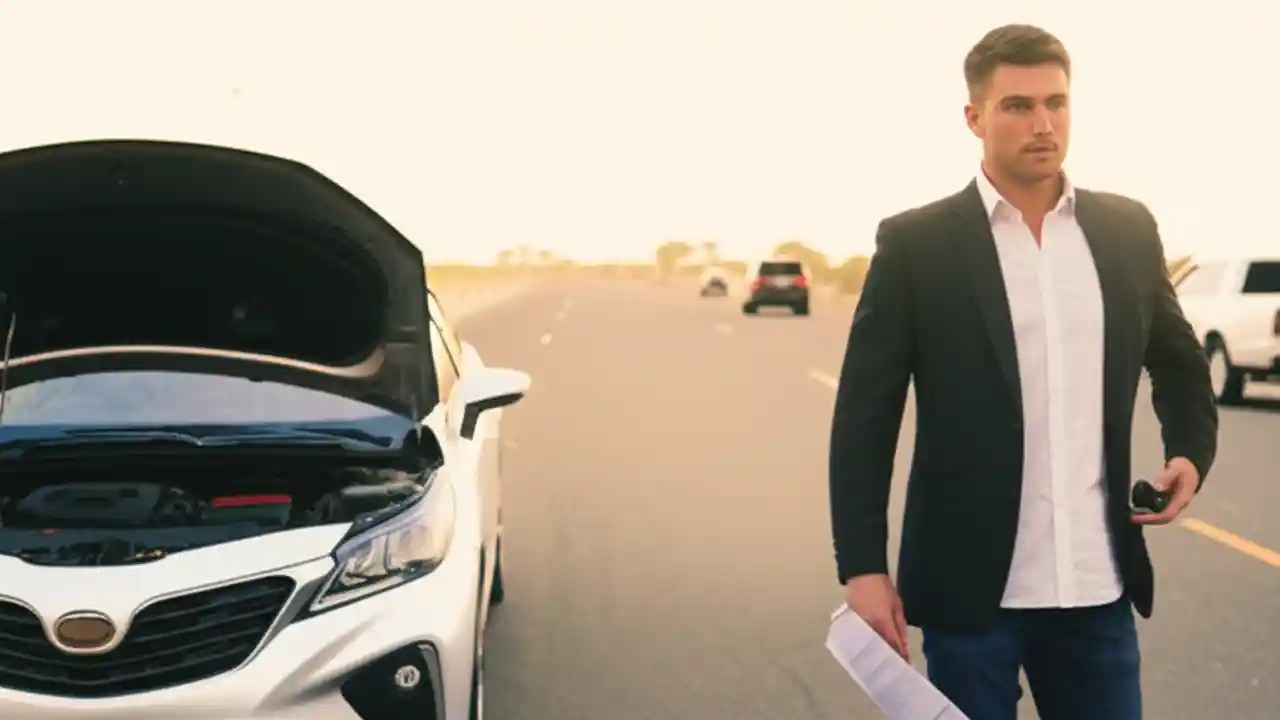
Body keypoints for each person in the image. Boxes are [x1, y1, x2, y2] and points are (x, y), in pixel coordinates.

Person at [826, 23, 1218, 720]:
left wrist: (1190, 451)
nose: (1043, 123)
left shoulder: (1126, 231)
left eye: (1056, 103)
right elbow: (865, 417)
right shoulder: (918, 245)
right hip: (971, 599)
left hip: (1098, 593)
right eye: (1018, 106)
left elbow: (1181, 363)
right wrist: (862, 568)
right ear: (975, 118)